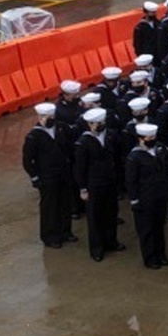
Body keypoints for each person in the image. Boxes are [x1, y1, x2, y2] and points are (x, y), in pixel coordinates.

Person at [74, 108, 125, 262]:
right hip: (94, 184)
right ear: (89, 124)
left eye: (101, 122)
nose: (99, 125)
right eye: (96, 123)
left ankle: (111, 241)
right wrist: (83, 188)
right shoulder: (84, 142)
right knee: (95, 216)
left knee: (111, 212)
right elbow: (79, 167)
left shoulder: (109, 136)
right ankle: (97, 248)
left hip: (110, 181)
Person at [22, 103, 76, 248]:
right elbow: (27, 160)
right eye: (44, 116)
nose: (48, 119)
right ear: (39, 117)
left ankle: (66, 231)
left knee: (65, 203)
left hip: (63, 173)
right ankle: (50, 235)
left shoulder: (61, 128)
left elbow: (69, 147)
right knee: (50, 207)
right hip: (47, 176)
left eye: (51, 116)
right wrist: (34, 177)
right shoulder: (34, 136)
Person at [125, 123, 168, 269]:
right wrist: (134, 199)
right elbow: (131, 180)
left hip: (160, 194)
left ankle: (161, 254)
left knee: (159, 226)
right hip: (145, 197)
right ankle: (150, 257)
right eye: (149, 138)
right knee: (146, 229)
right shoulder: (134, 156)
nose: (152, 139)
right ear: (140, 138)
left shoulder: (159, 149)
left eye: (153, 137)